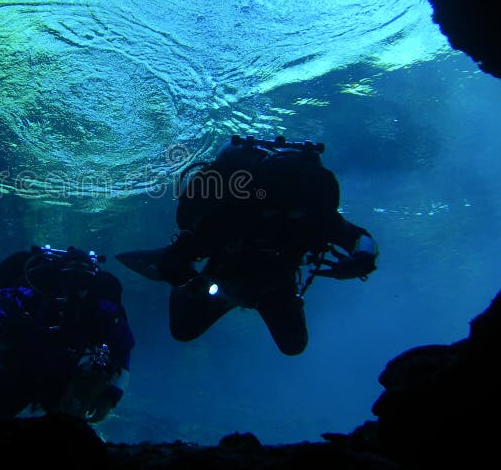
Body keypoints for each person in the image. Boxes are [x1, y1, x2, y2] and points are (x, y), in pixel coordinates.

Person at [116, 135, 379, 355]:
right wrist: (195, 285)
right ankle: (190, 294)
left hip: (276, 285)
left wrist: (363, 259)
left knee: (294, 346)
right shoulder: (234, 211)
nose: (285, 216)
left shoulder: (315, 213)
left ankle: (201, 289)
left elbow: (360, 239)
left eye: (294, 209)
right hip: (223, 283)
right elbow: (175, 261)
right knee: (183, 331)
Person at [0, 245, 135, 423]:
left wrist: (110, 397)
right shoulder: (31, 297)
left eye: (82, 281)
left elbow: (122, 349)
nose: (75, 289)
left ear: (92, 283)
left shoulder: (103, 310)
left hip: (63, 380)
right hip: (16, 372)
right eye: (70, 279)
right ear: (58, 278)